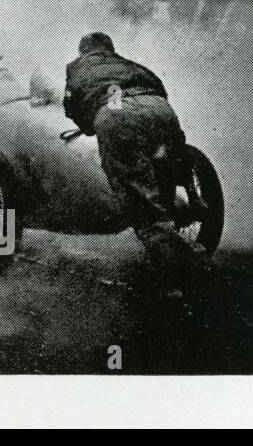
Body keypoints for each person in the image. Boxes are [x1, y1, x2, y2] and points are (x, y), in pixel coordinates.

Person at [63, 33, 211, 289]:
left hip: (117, 115)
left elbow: (71, 106)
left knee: (140, 201)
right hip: (159, 108)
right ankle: (194, 195)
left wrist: (89, 125)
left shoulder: (77, 67)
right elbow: (160, 87)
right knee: (172, 159)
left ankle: (186, 269)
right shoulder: (129, 64)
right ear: (110, 49)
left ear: (82, 51)